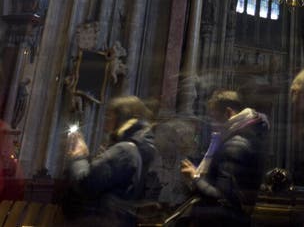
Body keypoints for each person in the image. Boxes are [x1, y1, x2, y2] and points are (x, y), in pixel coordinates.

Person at [175, 89, 269, 225]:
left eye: (214, 117)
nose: (212, 124)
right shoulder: (243, 137)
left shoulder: (235, 144)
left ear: (228, 112)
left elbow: (222, 197)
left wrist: (194, 177)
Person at [64, 95, 155, 226]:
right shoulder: (131, 148)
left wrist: (79, 156)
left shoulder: (124, 151)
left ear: (122, 118)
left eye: (110, 117)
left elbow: (86, 184)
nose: (106, 122)